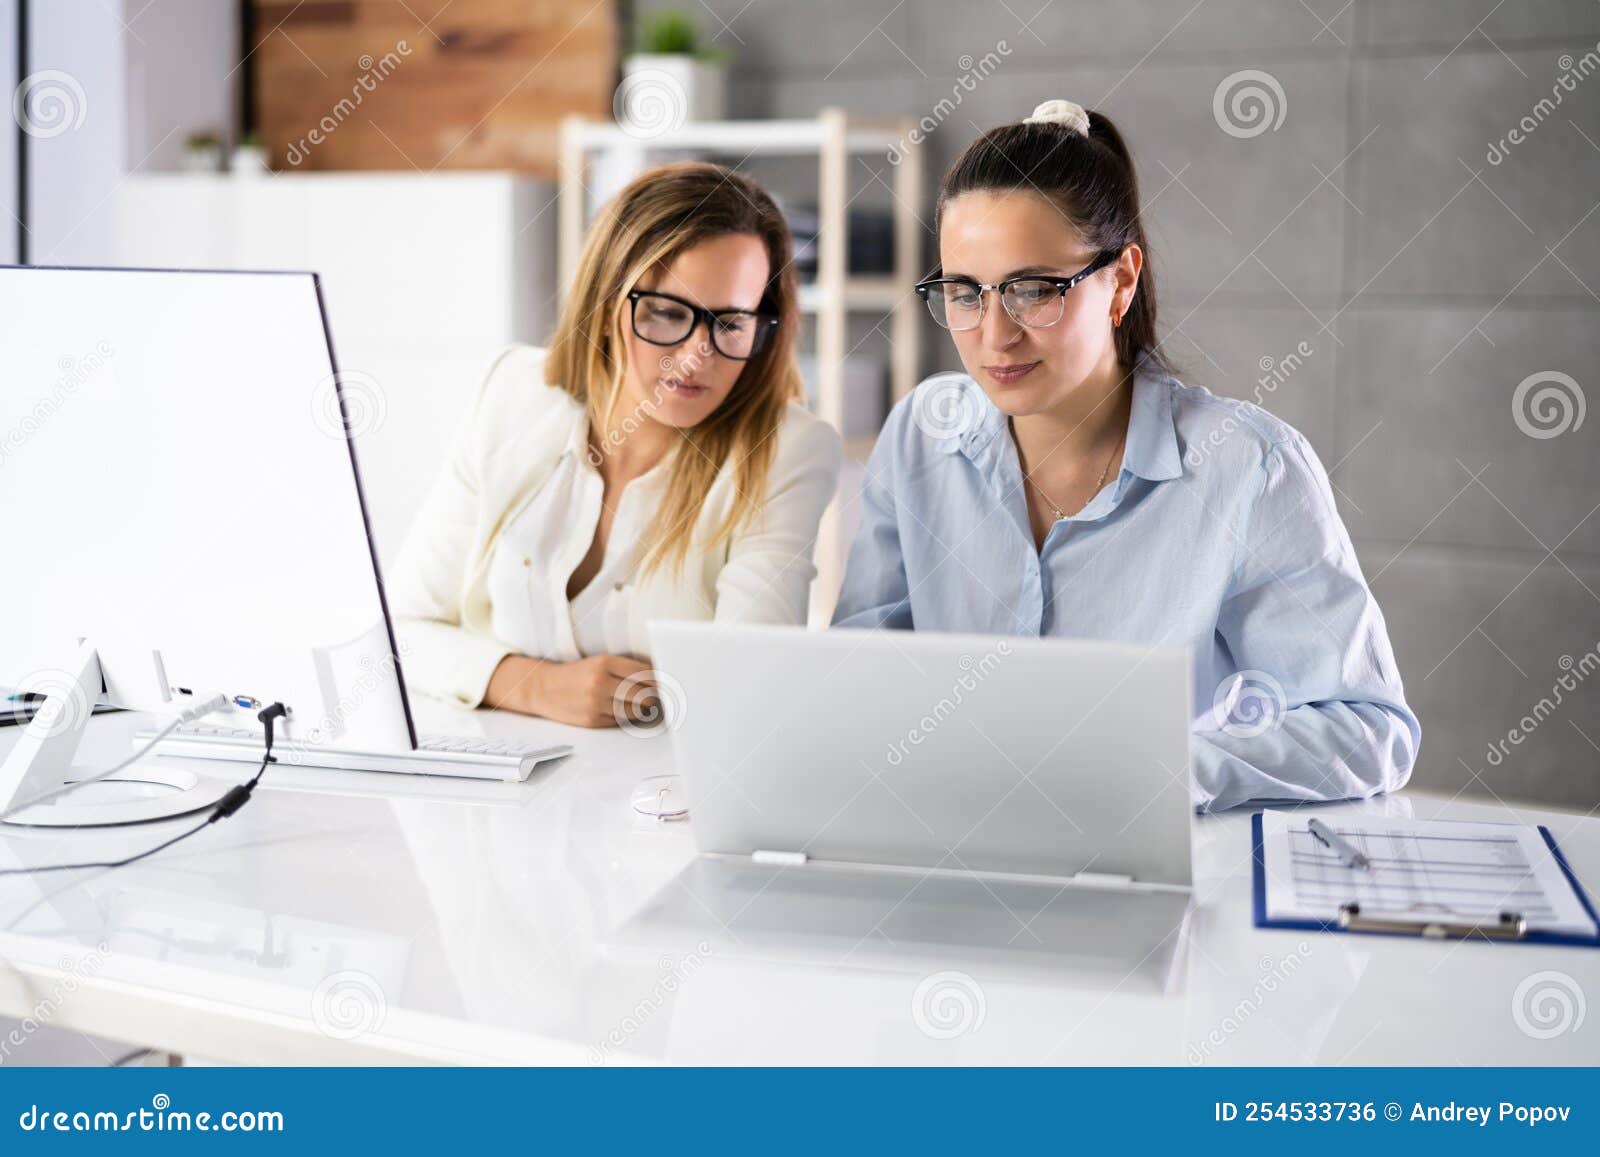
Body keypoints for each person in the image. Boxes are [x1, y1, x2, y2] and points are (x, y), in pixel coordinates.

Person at [832, 100, 1419, 811]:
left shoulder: (1249, 469)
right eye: (965, 292)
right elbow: (859, 676)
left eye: (1032, 290)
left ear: (1122, 280)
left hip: (1159, 868)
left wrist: (1158, 774)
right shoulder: (920, 437)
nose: (994, 336)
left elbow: (1365, 729)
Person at [392, 162, 842, 727]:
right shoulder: (511, 394)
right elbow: (400, 636)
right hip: (499, 788)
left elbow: (750, 692)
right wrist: (534, 687)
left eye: (730, 323)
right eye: (668, 313)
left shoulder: (787, 452)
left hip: (663, 799)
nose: (696, 356)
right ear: (607, 309)